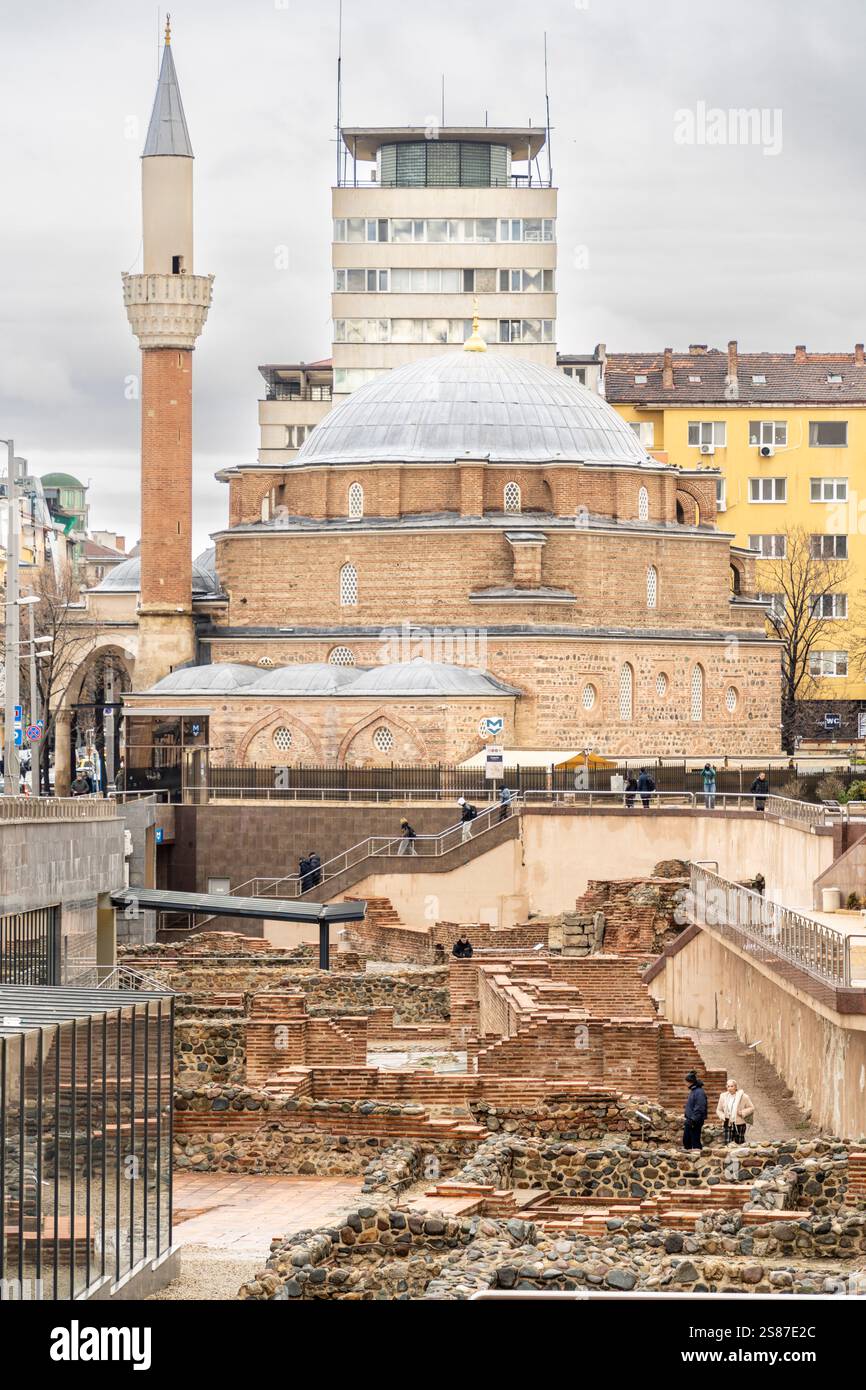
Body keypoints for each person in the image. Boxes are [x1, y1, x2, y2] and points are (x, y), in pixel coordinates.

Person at [716, 1077, 755, 1145]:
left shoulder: (743, 1097)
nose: (730, 1088)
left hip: (739, 1123)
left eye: (732, 1086)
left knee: (739, 1144)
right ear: (726, 1087)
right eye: (728, 1086)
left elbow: (751, 1108)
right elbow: (718, 1110)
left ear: (736, 1087)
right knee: (728, 1144)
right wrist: (723, 1116)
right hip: (727, 1122)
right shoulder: (723, 1097)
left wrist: (743, 1112)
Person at [683, 1070, 708, 1150]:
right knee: (687, 1141)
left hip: (695, 1121)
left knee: (695, 1142)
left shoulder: (699, 1092)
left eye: (686, 1082)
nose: (685, 1084)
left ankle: (698, 1159)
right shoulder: (694, 1091)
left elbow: (700, 1108)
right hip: (690, 1120)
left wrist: (693, 1120)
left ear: (690, 1082)